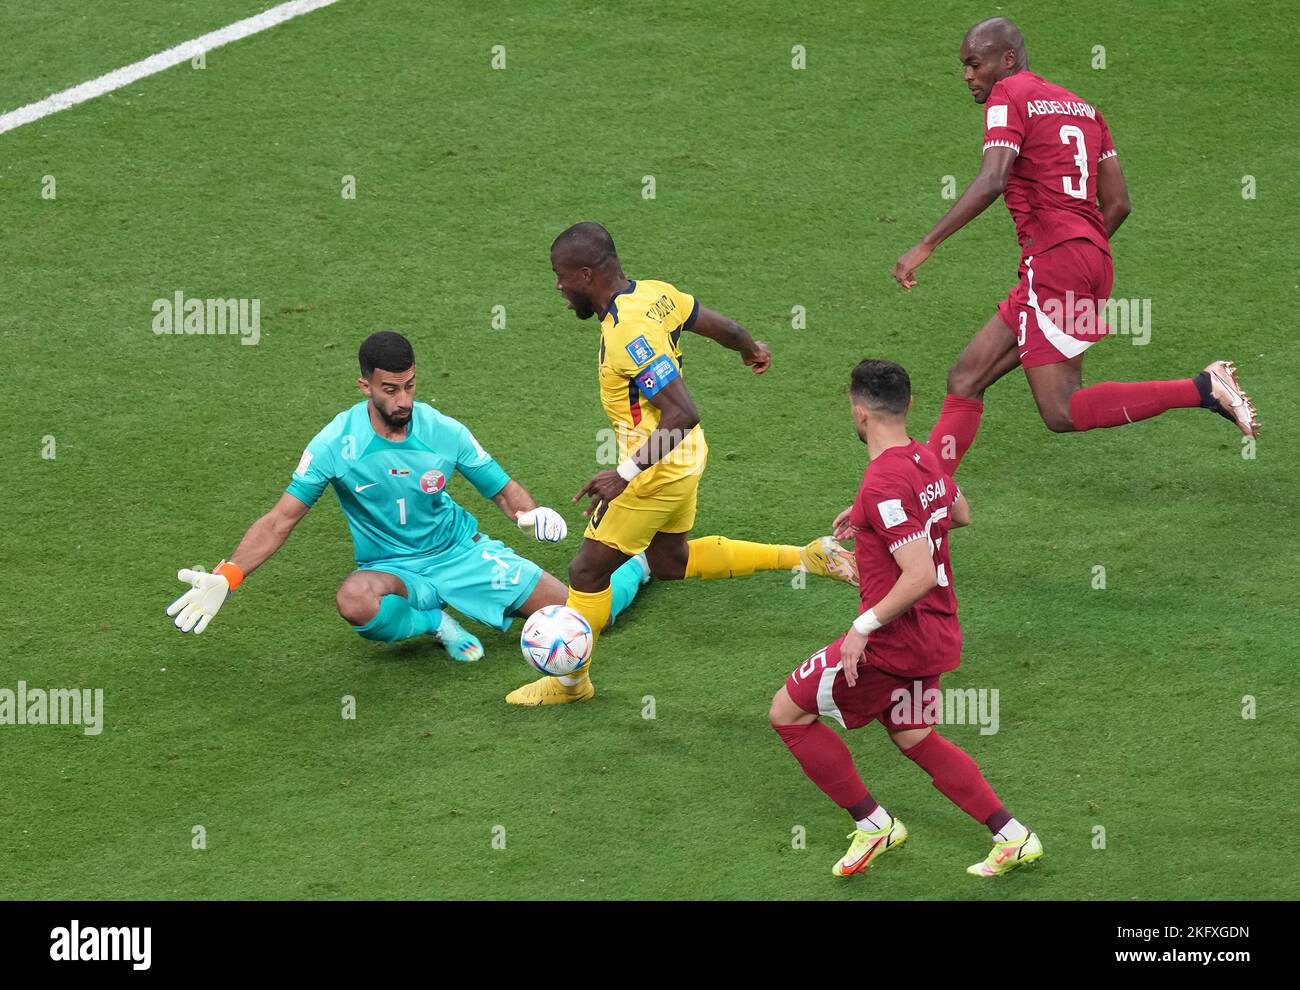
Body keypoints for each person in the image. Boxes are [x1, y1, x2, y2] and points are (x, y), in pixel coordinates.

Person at [506, 222, 859, 706]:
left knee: (587, 572)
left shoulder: (629, 331)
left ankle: (572, 683)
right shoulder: (654, 294)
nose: (558, 288)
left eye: (561, 277)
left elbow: (683, 413)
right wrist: (751, 349)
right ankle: (806, 556)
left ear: (585, 275)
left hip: (653, 471)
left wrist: (621, 476)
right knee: (670, 563)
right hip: (686, 461)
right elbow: (726, 329)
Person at [892, 17, 1259, 476]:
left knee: (1061, 410)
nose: (967, 74)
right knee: (966, 377)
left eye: (974, 63)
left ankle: (1203, 388)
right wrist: (1077, 250)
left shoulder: (1010, 94)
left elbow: (992, 179)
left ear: (1007, 60)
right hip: (1089, 258)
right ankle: (931, 494)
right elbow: (1119, 203)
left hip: (1057, 262)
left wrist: (925, 244)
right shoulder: (1083, 108)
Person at [167, 331, 649, 659]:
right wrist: (228, 576)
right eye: (390, 389)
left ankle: (641, 563)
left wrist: (530, 514)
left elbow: (501, 490)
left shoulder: (445, 431)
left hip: (461, 554)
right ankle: (434, 624)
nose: (404, 401)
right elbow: (280, 521)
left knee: (587, 620)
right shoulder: (336, 445)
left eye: (411, 386)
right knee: (354, 600)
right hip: (391, 568)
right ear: (365, 386)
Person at [770, 359, 1041, 878]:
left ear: (858, 412)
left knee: (788, 713)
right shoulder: (923, 457)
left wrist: (861, 628)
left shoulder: (883, 482)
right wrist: (867, 518)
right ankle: (1013, 836)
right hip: (939, 631)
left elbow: (916, 574)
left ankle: (875, 825)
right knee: (913, 735)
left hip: (895, 642)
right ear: (908, 405)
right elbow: (957, 513)